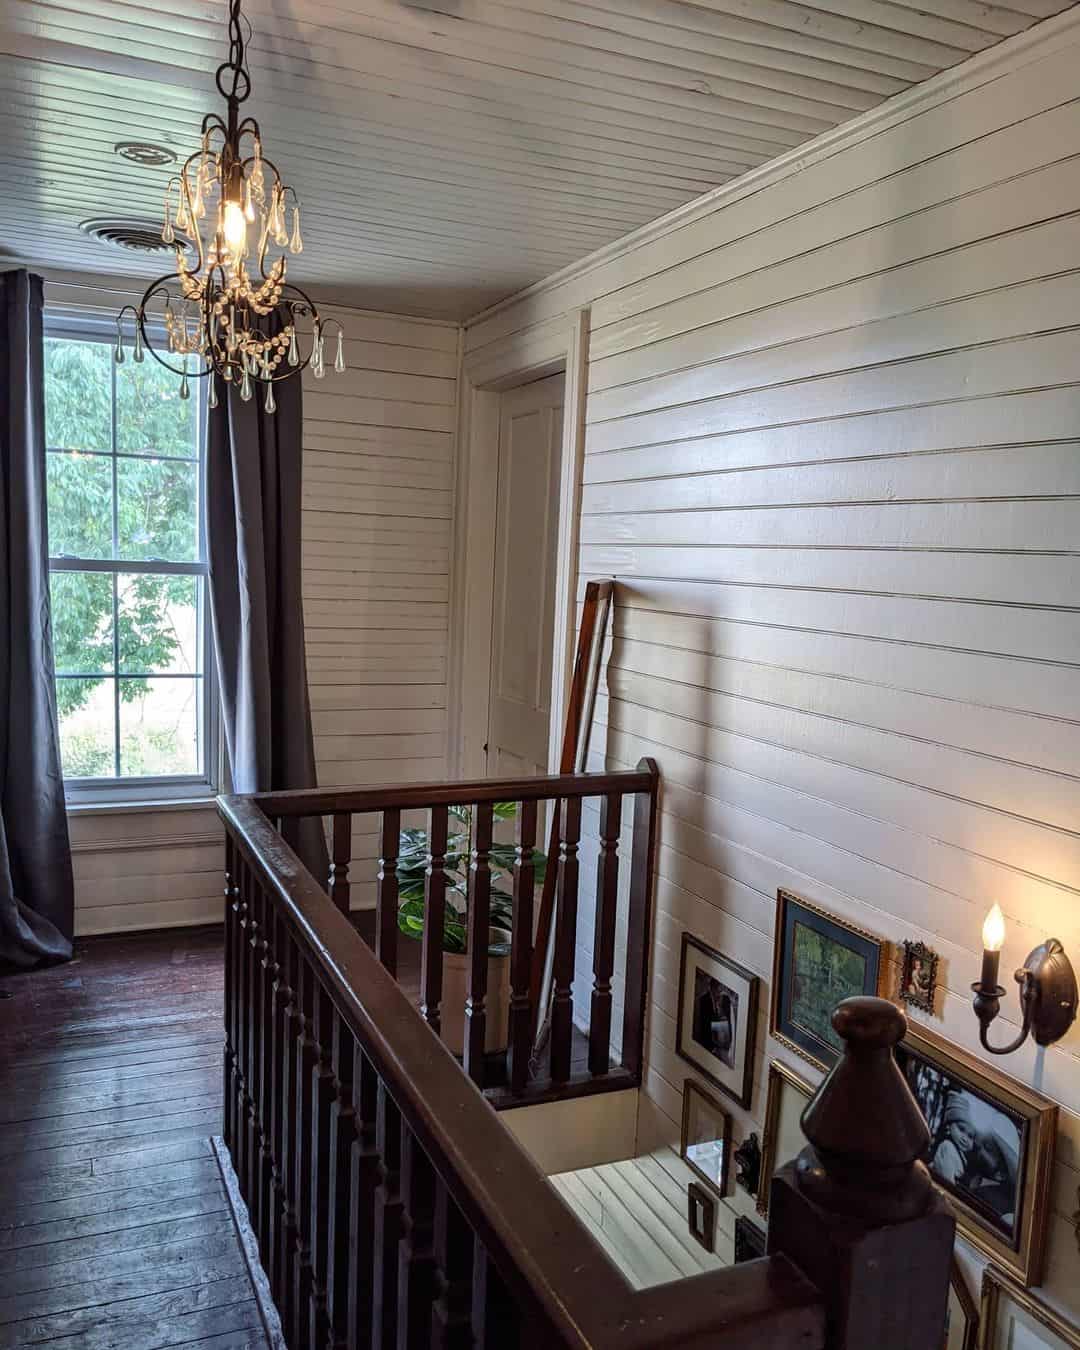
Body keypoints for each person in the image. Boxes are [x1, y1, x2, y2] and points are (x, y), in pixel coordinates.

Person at [933, 1093, 976, 1185]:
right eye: (961, 1129)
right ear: (949, 1127)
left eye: (970, 1136)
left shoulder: (961, 1155)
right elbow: (947, 1182)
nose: (965, 1138)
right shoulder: (948, 1148)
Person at [693, 976, 734, 1067]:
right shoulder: (703, 1000)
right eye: (717, 990)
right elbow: (702, 1028)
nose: (719, 992)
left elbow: (725, 1037)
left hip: (722, 1043)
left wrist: (720, 1011)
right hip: (709, 1046)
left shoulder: (726, 1001)